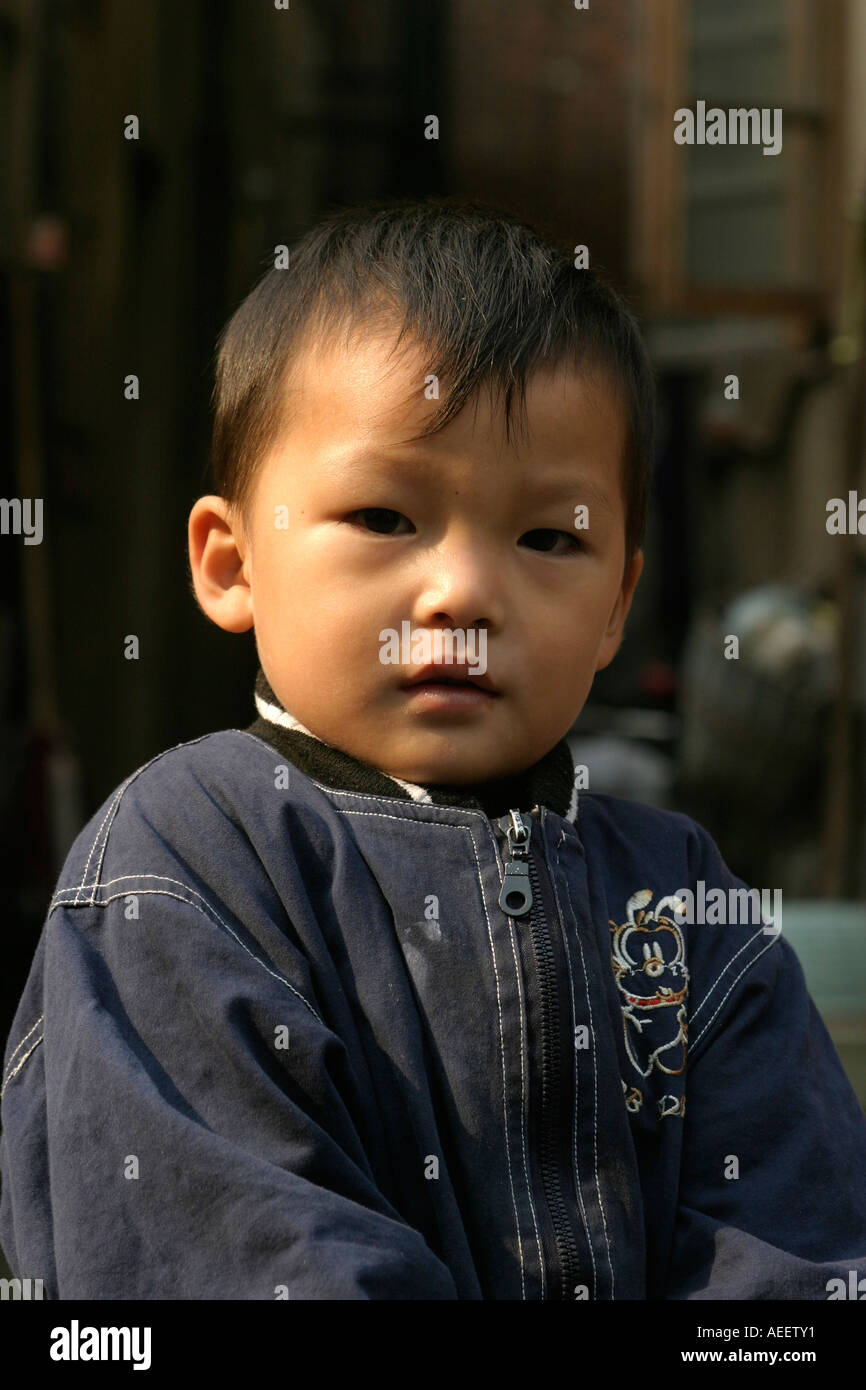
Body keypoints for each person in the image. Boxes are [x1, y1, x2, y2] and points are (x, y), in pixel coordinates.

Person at [2, 198, 865, 1300]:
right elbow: (243, 1255)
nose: (460, 591)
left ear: (615, 604)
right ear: (229, 563)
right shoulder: (184, 866)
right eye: (383, 517)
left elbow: (796, 1257)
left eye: (548, 536)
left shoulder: (678, 903)